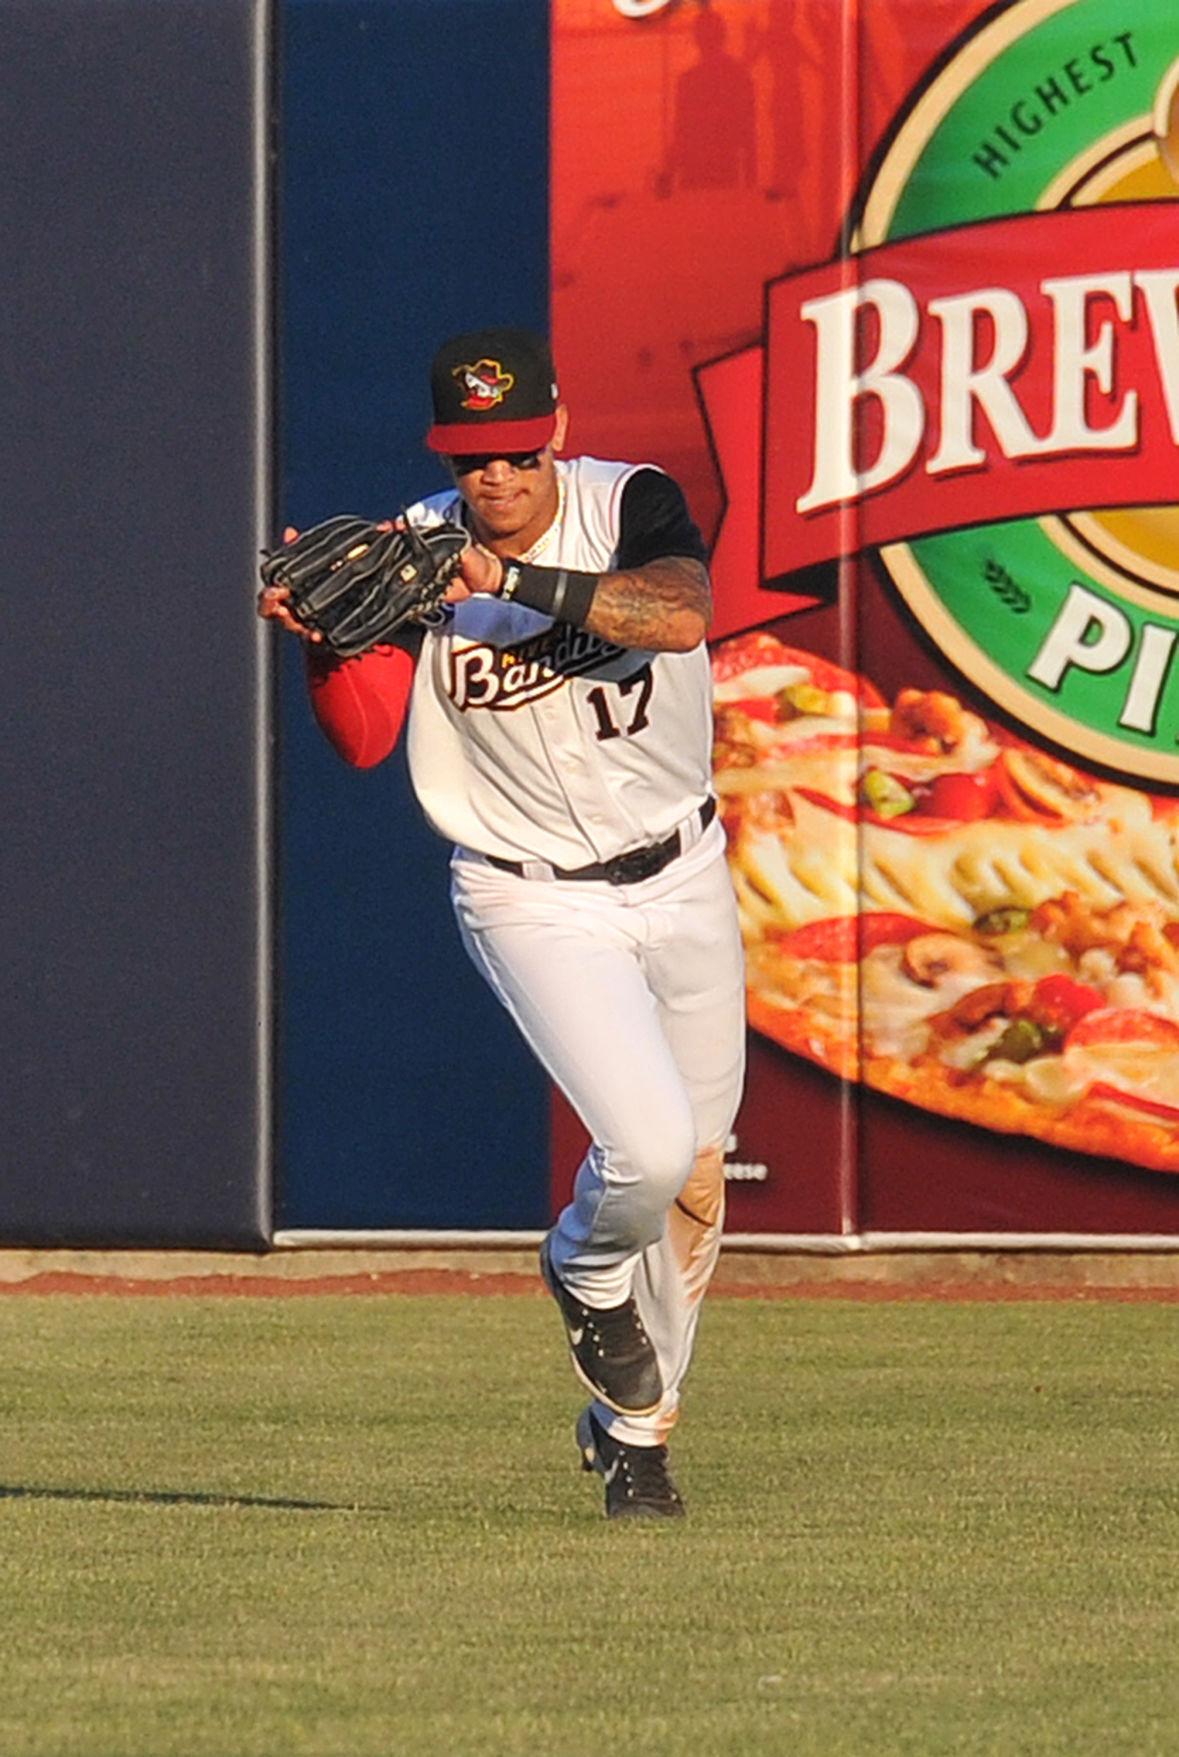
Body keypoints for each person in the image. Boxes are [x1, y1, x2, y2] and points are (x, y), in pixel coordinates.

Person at [259, 328, 746, 1518]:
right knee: (638, 1141)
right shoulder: (410, 551)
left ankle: (636, 1430)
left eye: (521, 453)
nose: (500, 479)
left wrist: (507, 582)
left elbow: (678, 617)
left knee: (692, 1174)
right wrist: (328, 647)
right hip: (529, 890)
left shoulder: (631, 500)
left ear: (559, 432)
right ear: (449, 454)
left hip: (683, 870)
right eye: (477, 459)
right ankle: (581, 1270)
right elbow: (368, 739)